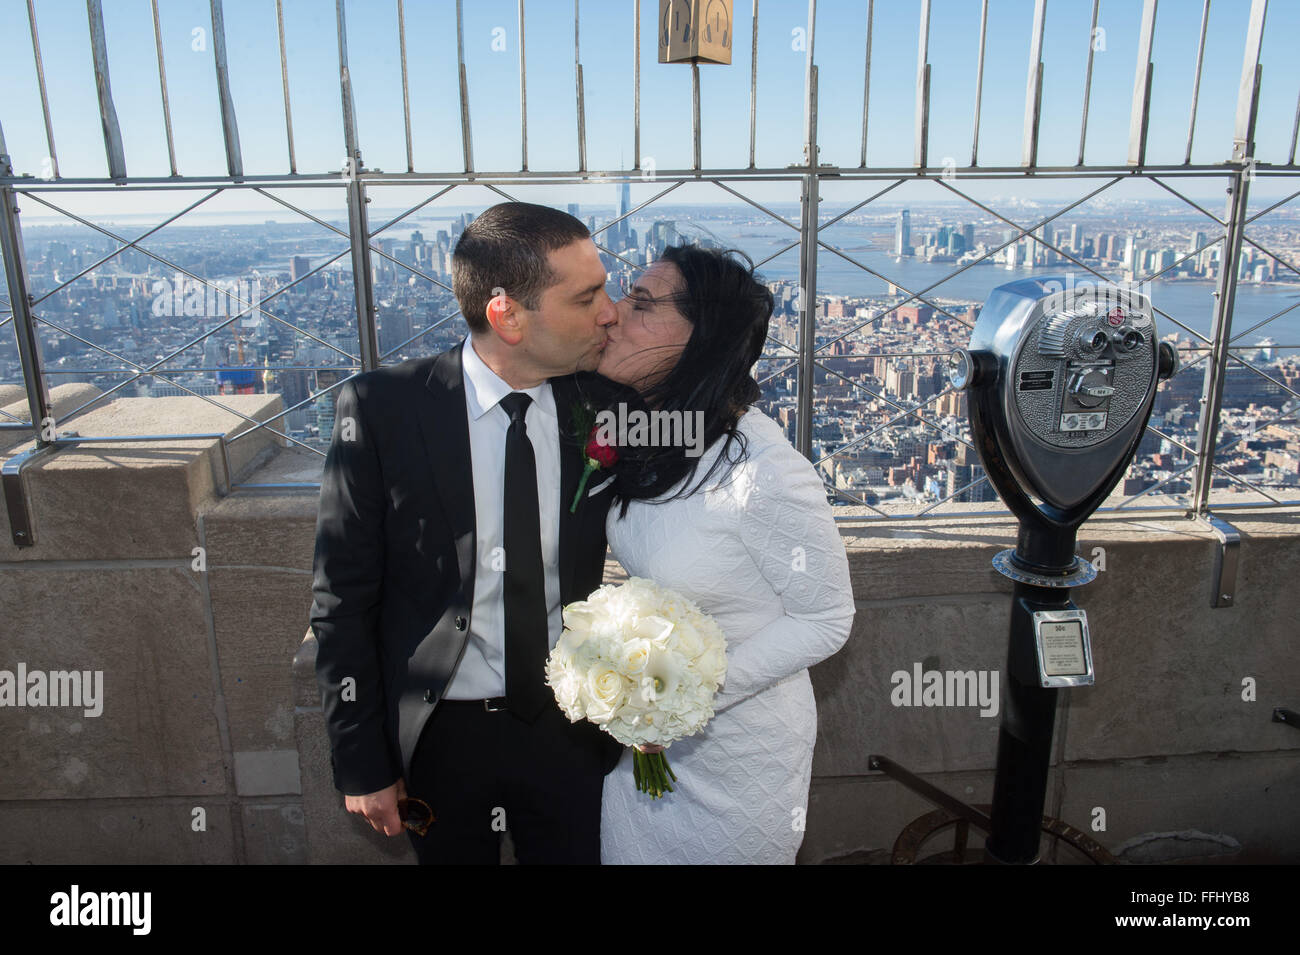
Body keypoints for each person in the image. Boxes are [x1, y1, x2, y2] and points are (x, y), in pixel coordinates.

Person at [310, 202, 624, 864]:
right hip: (440, 736)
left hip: (572, 727)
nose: (610, 312)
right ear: (506, 315)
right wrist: (361, 760)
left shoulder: (606, 408)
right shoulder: (379, 411)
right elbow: (342, 597)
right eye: (588, 296)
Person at [594, 243, 856, 864]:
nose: (611, 315)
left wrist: (681, 701)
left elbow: (826, 618)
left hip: (740, 756)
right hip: (642, 749)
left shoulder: (765, 471)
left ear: (700, 340)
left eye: (641, 304)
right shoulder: (652, 436)